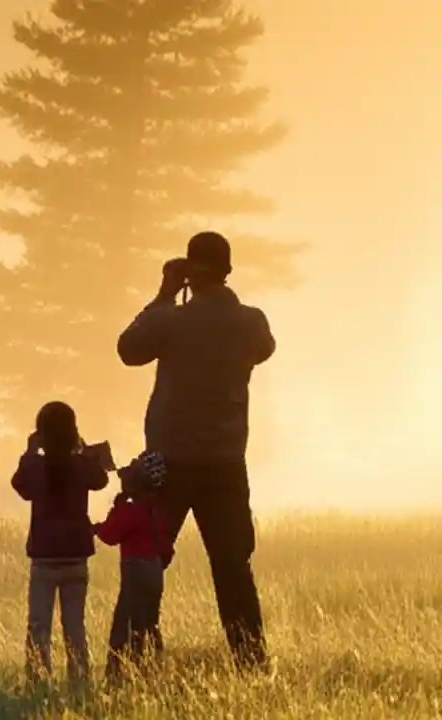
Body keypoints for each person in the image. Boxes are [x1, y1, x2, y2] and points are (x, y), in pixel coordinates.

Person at [116, 231, 276, 670]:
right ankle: (250, 661)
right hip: (225, 461)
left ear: (191, 269)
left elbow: (128, 350)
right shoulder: (251, 322)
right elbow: (264, 349)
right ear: (227, 270)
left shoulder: (171, 321)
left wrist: (166, 293)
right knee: (232, 566)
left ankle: (132, 660)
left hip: (169, 460)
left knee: (147, 559)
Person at [10, 401, 110, 683]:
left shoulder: (36, 467)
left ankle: (38, 679)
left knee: (39, 626)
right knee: (75, 626)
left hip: (43, 558)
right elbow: (101, 479)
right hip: (76, 557)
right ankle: (80, 678)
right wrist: (83, 448)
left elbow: (19, 485)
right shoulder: (80, 466)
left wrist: (30, 451)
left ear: (40, 432)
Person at [94, 450, 175, 681]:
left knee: (124, 623)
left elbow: (110, 535)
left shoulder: (131, 510)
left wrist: (102, 522)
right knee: (149, 623)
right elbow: (166, 545)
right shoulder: (157, 510)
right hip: (155, 570)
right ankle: (150, 670)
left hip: (135, 570)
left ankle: (115, 673)